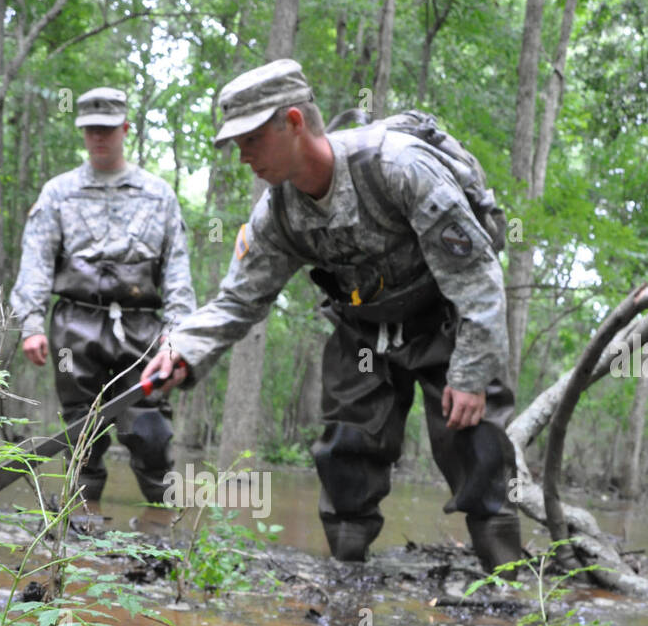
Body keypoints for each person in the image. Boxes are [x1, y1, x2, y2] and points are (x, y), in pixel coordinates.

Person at [143, 59, 522, 570]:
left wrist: (472, 374)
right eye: (237, 145)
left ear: (294, 122)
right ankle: (346, 587)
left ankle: (506, 587)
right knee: (346, 452)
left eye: (251, 140)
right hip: (362, 332)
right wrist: (182, 350)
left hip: (446, 320)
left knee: (476, 445)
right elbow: (239, 299)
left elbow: (477, 279)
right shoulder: (277, 213)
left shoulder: (399, 168)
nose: (243, 158)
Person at [10, 85, 196, 503]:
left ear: (125, 129)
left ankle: (164, 531)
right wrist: (31, 325)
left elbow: (177, 268)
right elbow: (36, 260)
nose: (98, 137)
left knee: (148, 429)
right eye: (90, 129)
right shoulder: (58, 192)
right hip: (75, 325)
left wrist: (178, 332)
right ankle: (76, 530)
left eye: (107, 129)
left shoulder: (158, 193)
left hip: (142, 324)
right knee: (80, 430)